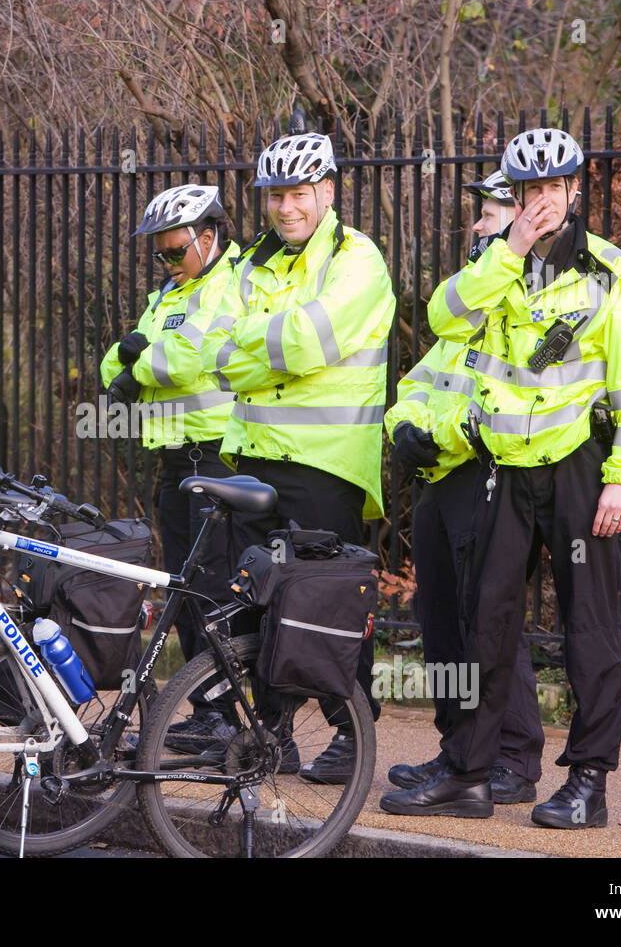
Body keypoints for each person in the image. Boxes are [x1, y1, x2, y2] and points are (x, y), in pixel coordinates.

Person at [380, 127, 621, 827]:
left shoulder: (615, 275)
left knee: (590, 630)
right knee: (486, 625)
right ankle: (471, 774)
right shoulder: (497, 266)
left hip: (580, 469)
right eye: (527, 190)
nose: (540, 201)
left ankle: (590, 781)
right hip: (503, 472)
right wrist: (508, 249)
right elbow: (441, 314)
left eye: (551, 188)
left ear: (576, 191)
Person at [203, 132, 396, 783]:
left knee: (329, 601)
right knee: (259, 603)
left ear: (328, 192)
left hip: (328, 460)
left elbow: (316, 340)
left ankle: (351, 729)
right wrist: (272, 349)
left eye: (298, 194)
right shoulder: (252, 263)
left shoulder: (357, 258)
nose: (286, 207)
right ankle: (272, 733)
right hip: (258, 454)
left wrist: (261, 346)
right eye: (276, 195)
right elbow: (219, 356)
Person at [383, 169, 544, 805]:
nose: (476, 225)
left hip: (487, 472)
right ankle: (459, 750)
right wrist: (403, 430)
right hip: (440, 478)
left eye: (488, 214)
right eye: (479, 215)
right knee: (443, 619)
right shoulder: (471, 299)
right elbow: (423, 380)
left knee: (490, 623)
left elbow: (505, 399)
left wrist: (445, 440)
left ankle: (511, 758)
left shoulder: (526, 296)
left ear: (526, 218)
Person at [98, 184, 238, 749]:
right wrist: (134, 361)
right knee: (184, 586)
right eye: (159, 254)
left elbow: (188, 358)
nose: (167, 263)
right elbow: (119, 355)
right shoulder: (171, 293)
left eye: (174, 251)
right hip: (175, 461)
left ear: (209, 238)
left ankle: (232, 714)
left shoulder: (231, 284)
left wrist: (139, 364)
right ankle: (210, 710)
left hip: (217, 457)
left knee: (213, 589)